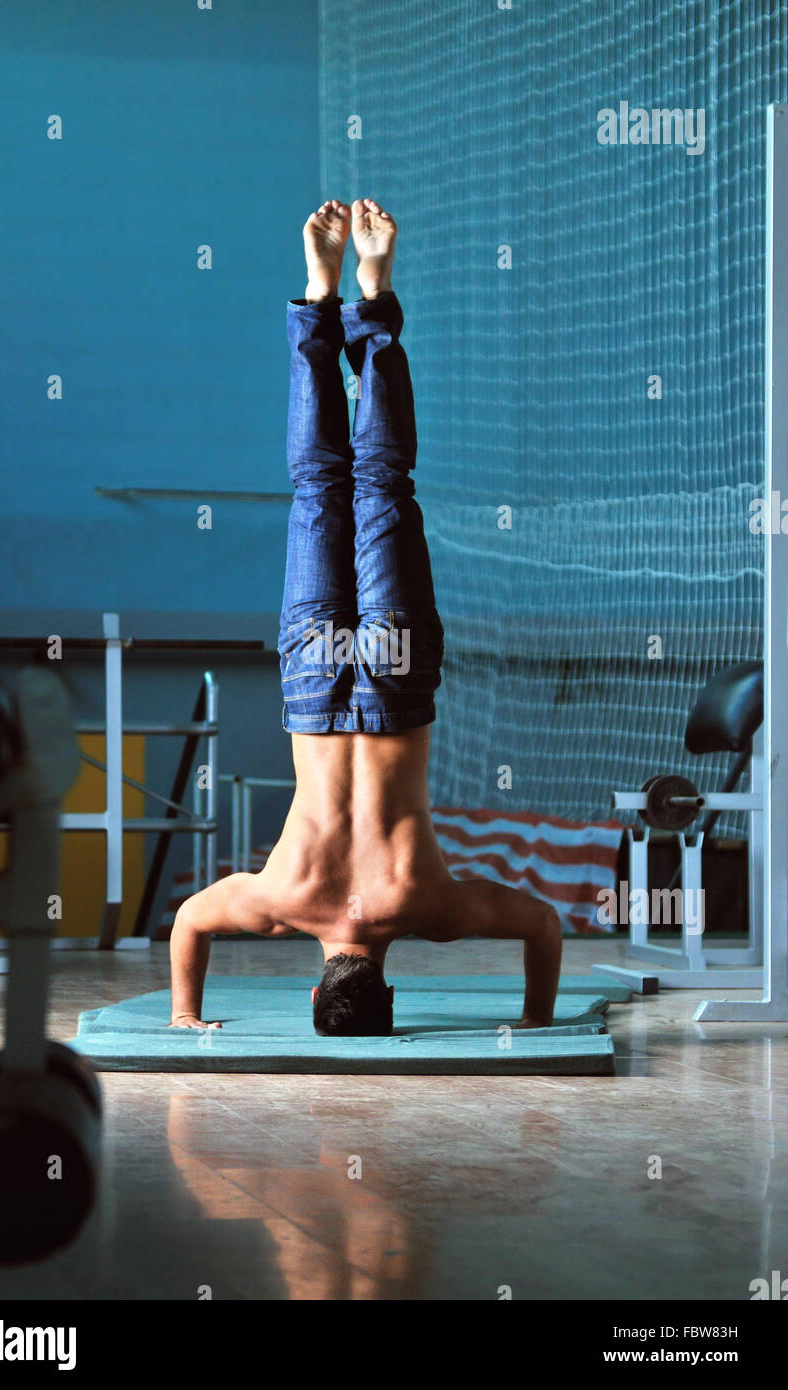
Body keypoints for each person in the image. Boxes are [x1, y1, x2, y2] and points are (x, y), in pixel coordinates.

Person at [170, 199, 561, 1035]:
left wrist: (536, 1019)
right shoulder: (279, 903)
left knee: (381, 485)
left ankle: (373, 307)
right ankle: (318, 299)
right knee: (319, 488)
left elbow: (541, 926)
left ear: (388, 990)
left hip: (393, 681)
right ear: (317, 991)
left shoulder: (427, 907)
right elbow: (190, 924)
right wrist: (182, 1015)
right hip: (315, 686)